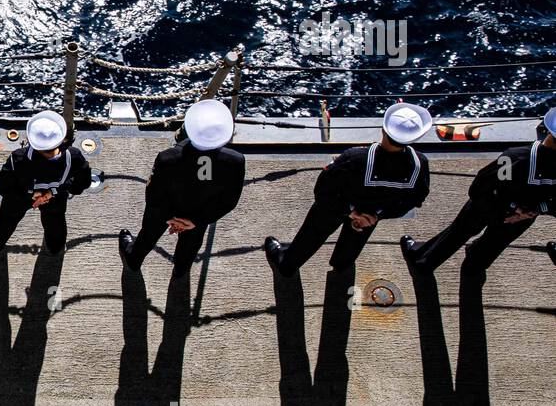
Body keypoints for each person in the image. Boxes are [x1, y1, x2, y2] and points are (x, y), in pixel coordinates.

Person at [265, 103, 432, 277]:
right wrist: (377, 214)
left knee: (312, 235)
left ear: (384, 129)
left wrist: (351, 211)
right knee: (355, 239)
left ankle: (287, 263)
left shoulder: (355, 158)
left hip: (335, 208)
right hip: (372, 216)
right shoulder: (420, 164)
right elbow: (416, 199)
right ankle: (342, 264)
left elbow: (322, 189)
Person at [402, 106, 556, 278]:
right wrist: (532, 210)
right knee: (494, 244)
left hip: (487, 207)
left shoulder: (514, 156)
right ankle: (474, 265)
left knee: (458, 233)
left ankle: (423, 261)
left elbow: (480, 185)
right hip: (522, 218)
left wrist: (512, 206)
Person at [118, 99, 244, 273]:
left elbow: (154, 194)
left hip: (164, 211)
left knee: (149, 234)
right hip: (199, 214)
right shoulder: (235, 162)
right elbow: (229, 201)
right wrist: (195, 221)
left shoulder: (168, 158)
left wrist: (170, 218)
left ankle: (133, 259)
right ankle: (181, 270)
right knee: (191, 245)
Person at [0, 110, 91, 255]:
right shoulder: (73, 156)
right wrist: (52, 193)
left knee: (7, 219)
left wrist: (31, 194)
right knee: (55, 221)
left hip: (20, 198)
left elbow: (2, 187)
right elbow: (82, 184)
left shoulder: (18, 158)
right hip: (55, 198)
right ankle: (55, 247)